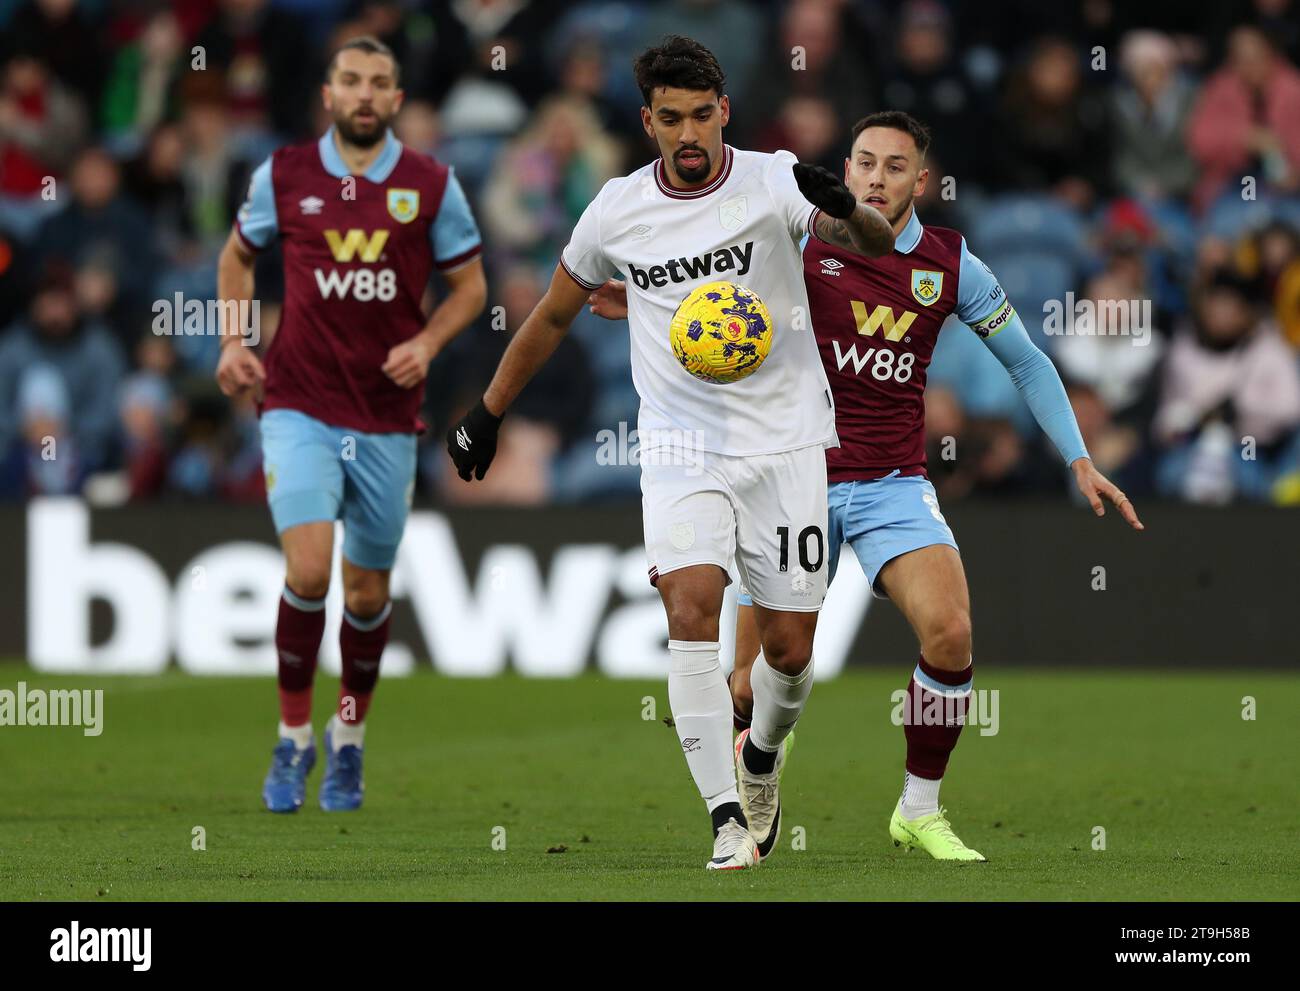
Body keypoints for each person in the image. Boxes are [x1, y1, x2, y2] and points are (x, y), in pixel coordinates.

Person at [591, 111, 1143, 862]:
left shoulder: (951, 264)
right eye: (863, 163)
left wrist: (1077, 456)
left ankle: (919, 809)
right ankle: (759, 762)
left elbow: (1027, 361)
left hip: (891, 479)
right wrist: (646, 305)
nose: (875, 178)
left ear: (921, 180)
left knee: (949, 634)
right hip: (789, 476)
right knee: (752, 686)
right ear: (844, 171)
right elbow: (708, 289)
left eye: (893, 166)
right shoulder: (800, 235)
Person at [446, 35, 894, 870]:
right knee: (690, 606)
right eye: (669, 119)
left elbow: (870, 243)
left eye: (701, 116)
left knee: (789, 652)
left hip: (786, 438)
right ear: (647, 121)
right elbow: (551, 313)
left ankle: (760, 757)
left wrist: (851, 208)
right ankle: (726, 816)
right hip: (681, 443)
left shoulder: (774, 177)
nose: (688, 134)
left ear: (723, 111)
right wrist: (489, 408)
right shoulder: (616, 208)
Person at [215, 36, 487, 813]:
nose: (364, 94)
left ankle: (348, 742)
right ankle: (293, 736)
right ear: (328, 94)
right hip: (297, 402)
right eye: (351, 81)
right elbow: (237, 258)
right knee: (308, 571)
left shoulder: (431, 184)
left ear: (397, 100)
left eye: (379, 83)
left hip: (386, 416)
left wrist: (428, 341)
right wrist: (235, 340)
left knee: (366, 593)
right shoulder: (284, 174)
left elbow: (471, 286)